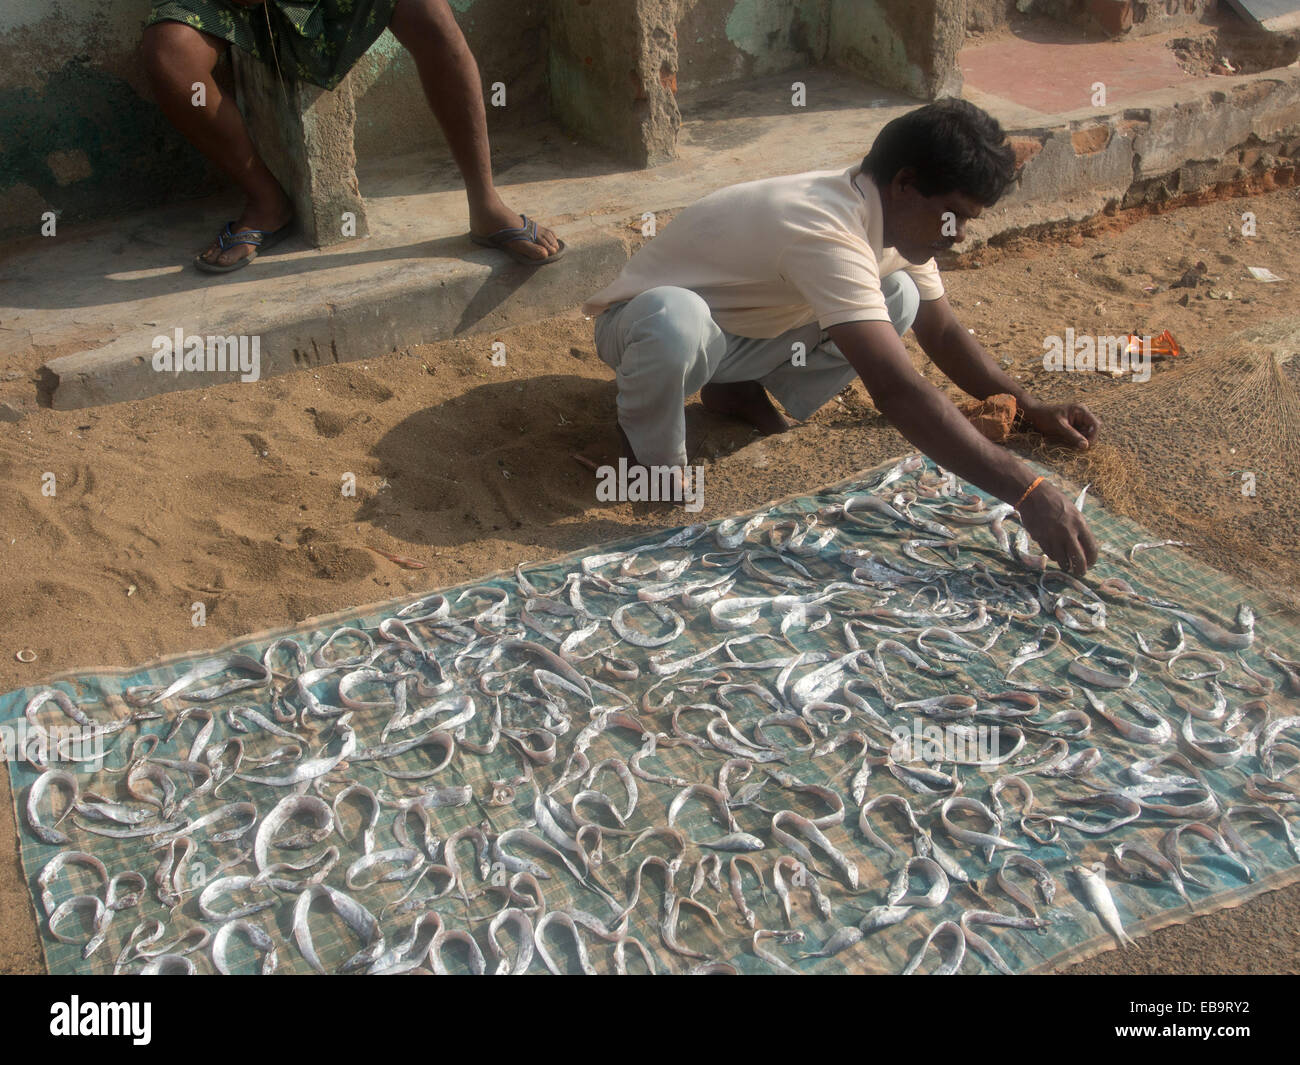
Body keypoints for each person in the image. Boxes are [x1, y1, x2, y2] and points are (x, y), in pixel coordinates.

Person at [582, 99, 1100, 575]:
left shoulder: (894, 223)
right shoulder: (826, 228)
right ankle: (650, 455)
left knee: (899, 294)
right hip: (641, 328)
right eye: (955, 214)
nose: (959, 233)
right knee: (678, 319)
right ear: (904, 184)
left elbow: (940, 332)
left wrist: (1029, 406)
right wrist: (1028, 490)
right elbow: (896, 390)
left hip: (738, 336)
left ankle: (733, 390)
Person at [142, 0, 564, 272]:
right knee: (170, 52)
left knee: (430, 13)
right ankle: (267, 202)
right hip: (240, 8)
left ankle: (486, 204)